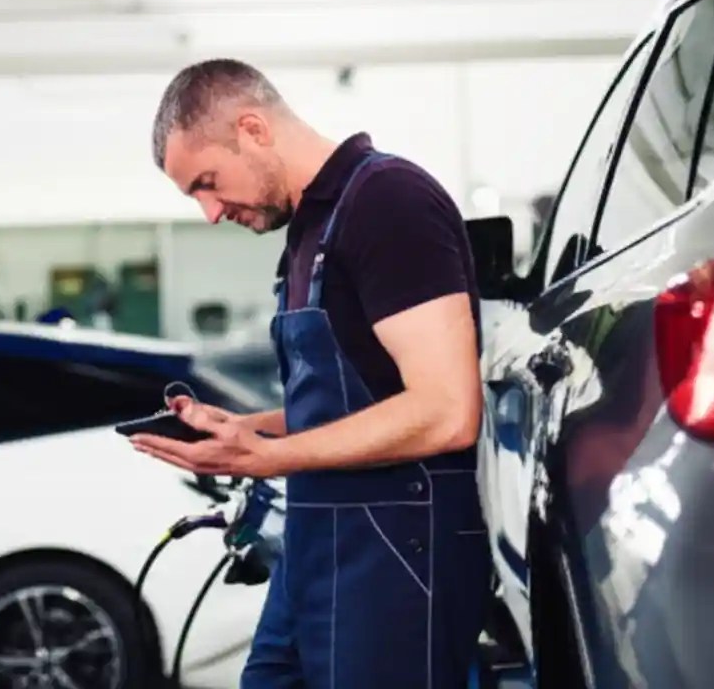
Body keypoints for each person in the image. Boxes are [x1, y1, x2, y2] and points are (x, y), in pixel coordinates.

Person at [131, 58, 490, 688]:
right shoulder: (308, 231)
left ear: (253, 129)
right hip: (320, 536)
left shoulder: (387, 201)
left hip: (401, 550)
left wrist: (270, 458)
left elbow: (447, 409)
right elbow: (354, 401)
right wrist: (248, 430)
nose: (210, 212)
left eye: (208, 183)